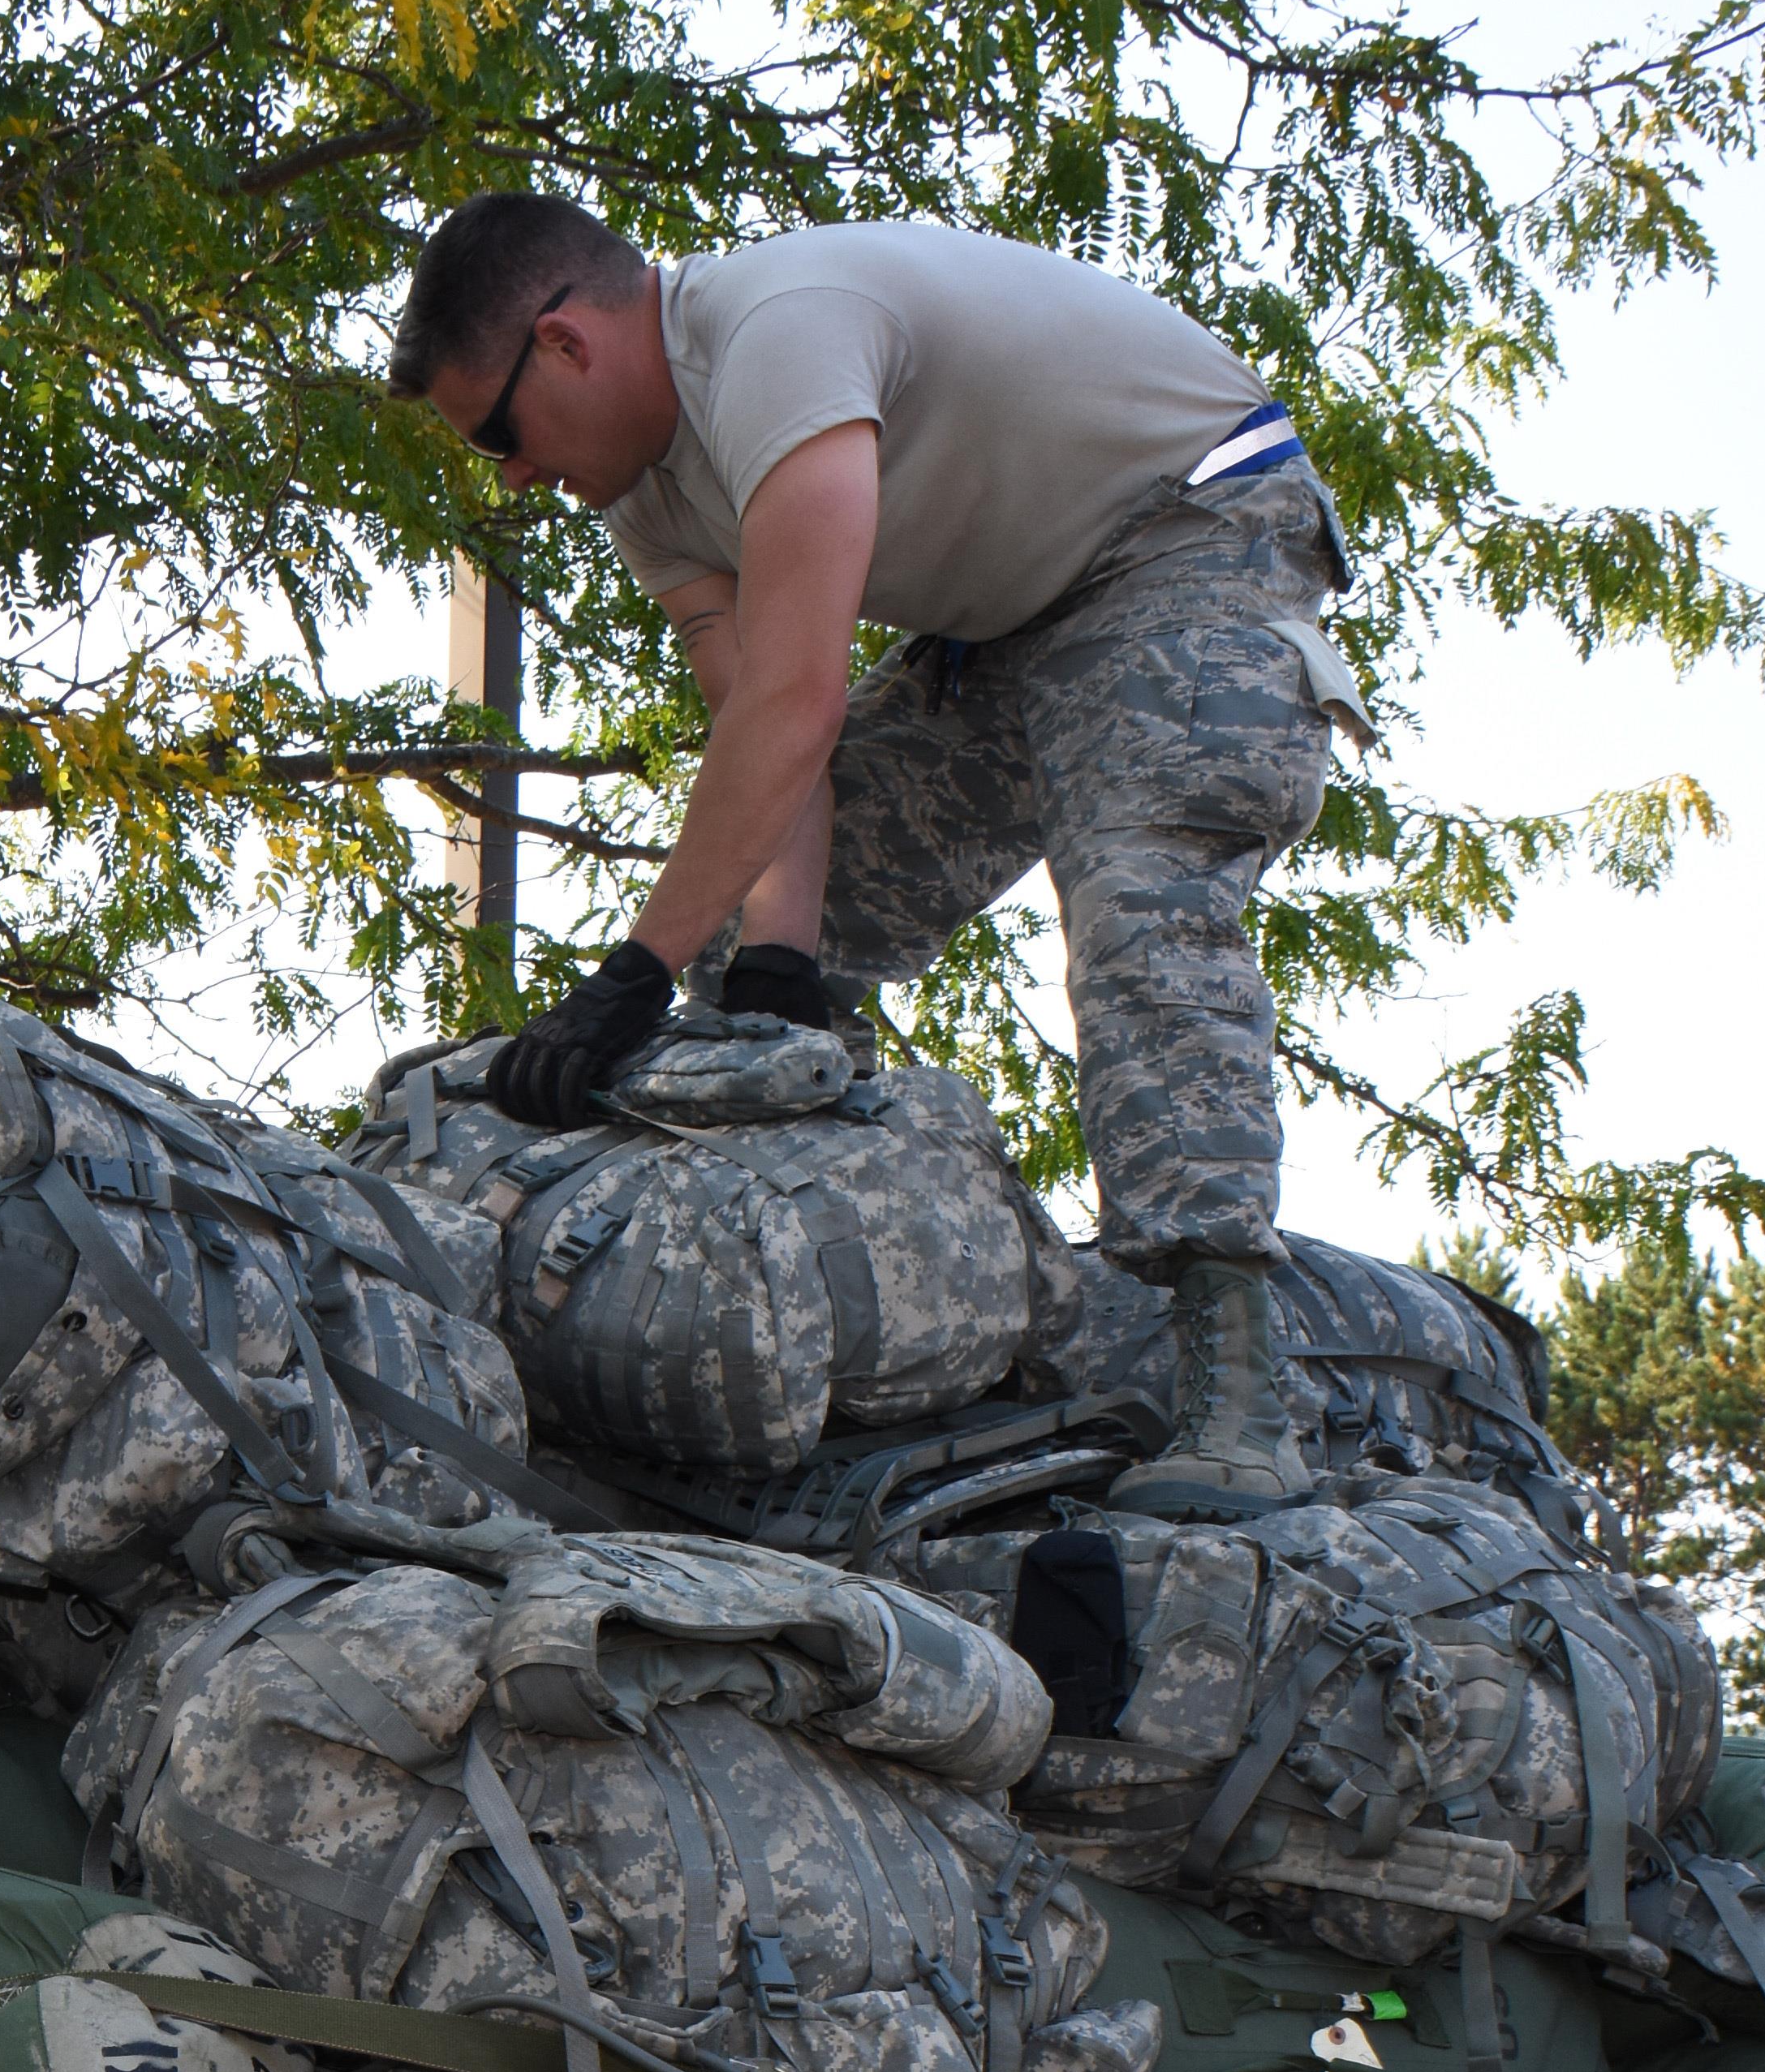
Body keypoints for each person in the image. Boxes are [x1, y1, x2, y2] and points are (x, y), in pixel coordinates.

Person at [390, 196, 1370, 1491]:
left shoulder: (777, 337)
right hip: (1006, 626)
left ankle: (1238, 1396)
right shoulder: (646, 494)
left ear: (566, 346)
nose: (511, 476)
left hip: (1189, 540)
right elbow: (759, 737)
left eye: (500, 434)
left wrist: (625, 978)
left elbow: (801, 697)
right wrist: (776, 970)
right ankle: (825, 1292)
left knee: (1141, 913)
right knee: (740, 964)